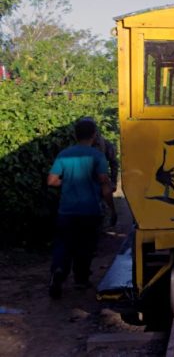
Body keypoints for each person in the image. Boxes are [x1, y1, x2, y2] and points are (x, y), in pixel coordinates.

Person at [47, 118, 115, 298]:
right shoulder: (97, 156)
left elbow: (52, 181)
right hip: (89, 210)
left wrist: (68, 181)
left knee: (63, 243)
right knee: (85, 246)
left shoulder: (64, 154)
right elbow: (105, 185)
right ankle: (81, 280)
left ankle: (59, 271)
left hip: (66, 210)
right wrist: (113, 209)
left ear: (75, 134)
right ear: (94, 135)